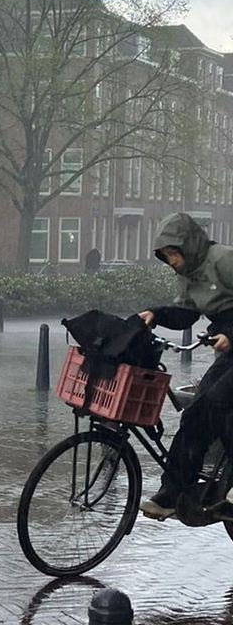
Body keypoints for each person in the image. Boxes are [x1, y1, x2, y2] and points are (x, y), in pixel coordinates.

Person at [138, 212, 233, 520]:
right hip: (229, 344)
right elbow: (186, 313)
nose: (173, 262)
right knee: (195, 413)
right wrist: (156, 313)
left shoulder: (223, 260)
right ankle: (174, 491)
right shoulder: (188, 274)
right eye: (167, 257)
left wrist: (231, 333)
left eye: (175, 253)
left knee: (219, 401)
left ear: (189, 245)